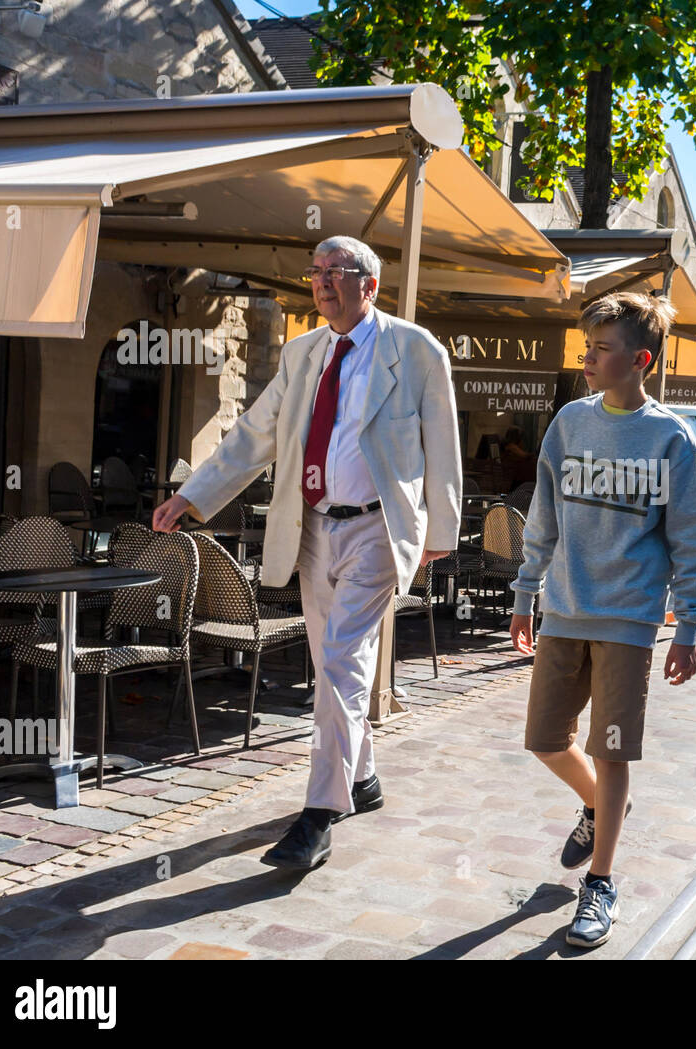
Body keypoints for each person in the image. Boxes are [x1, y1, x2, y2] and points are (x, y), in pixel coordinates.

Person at [153, 235, 461, 870]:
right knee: (333, 666)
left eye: (335, 271)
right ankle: (364, 776)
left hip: (379, 528)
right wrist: (191, 496)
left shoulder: (415, 350)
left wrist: (440, 535)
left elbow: (444, 446)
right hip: (313, 530)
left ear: (368, 285)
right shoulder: (301, 354)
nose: (321, 281)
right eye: (315, 271)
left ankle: (320, 813)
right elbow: (253, 435)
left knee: (343, 662)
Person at [509, 292, 696, 949]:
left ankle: (601, 882)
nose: (587, 357)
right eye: (587, 345)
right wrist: (524, 592)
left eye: (600, 348)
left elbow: (689, 539)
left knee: (612, 746)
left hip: (629, 619)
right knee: (544, 738)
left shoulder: (670, 438)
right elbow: (543, 516)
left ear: (639, 360)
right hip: (564, 610)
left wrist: (687, 625)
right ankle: (604, 805)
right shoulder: (569, 423)